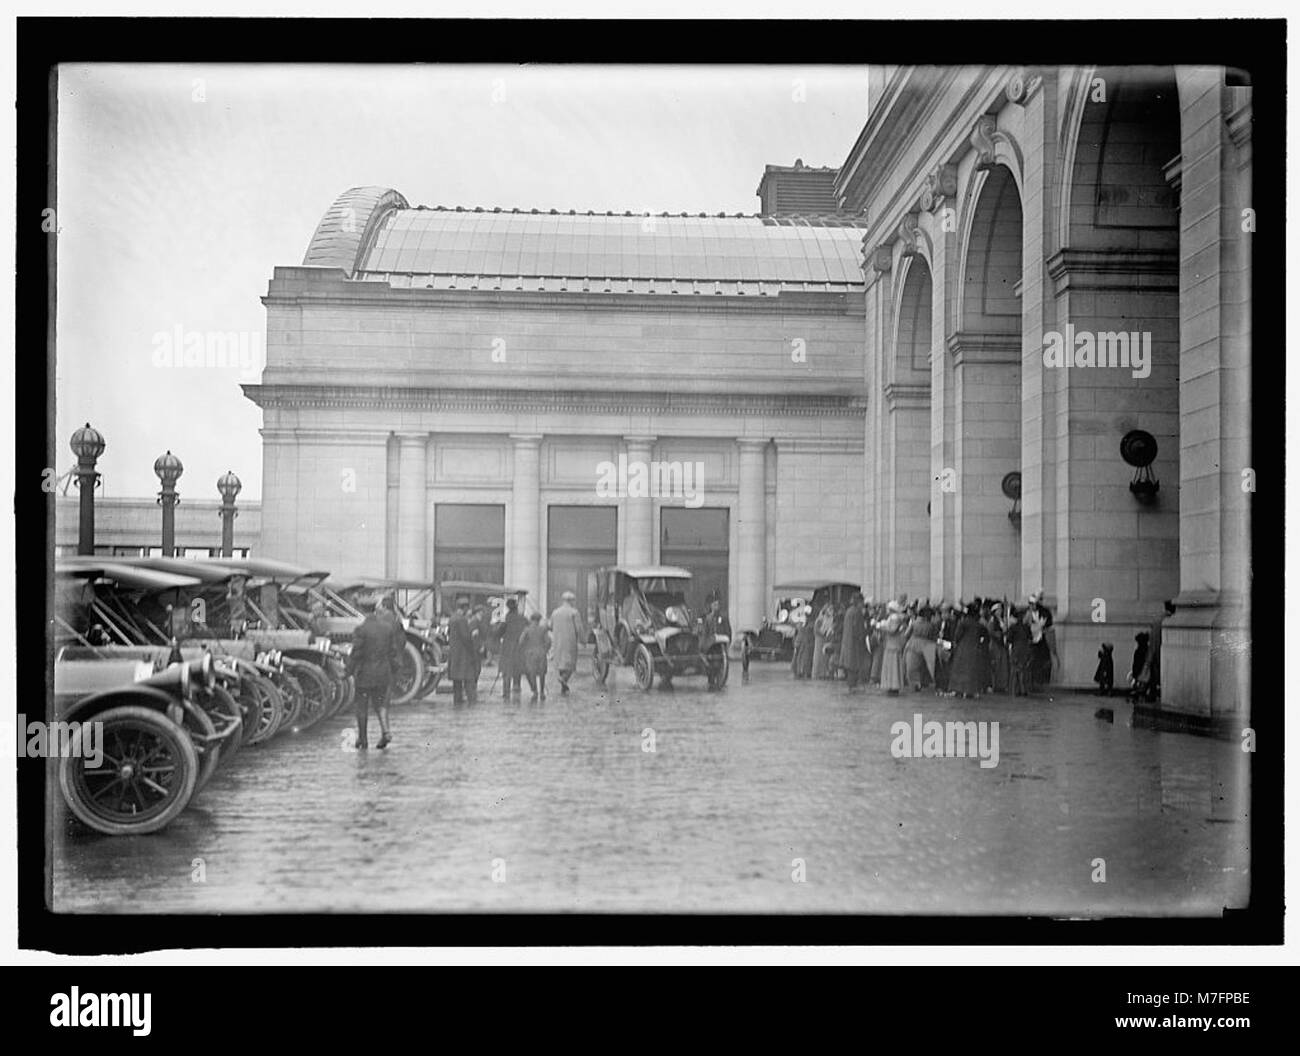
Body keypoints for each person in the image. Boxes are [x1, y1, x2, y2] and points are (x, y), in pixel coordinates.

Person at [345, 599, 405, 749]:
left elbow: (356, 654)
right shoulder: (386, 628)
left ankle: (363, 740)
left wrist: (348, 671)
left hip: (365, 675)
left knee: (362, 707)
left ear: (361, 609)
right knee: (381, 705)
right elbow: (392, 652)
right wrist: (394, 669)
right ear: (375, 609)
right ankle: (385, 732)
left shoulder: (361, 629)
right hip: (383, 674)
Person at [948, 602, 988, 699]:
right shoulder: (979, 624)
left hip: (962, 649)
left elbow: (957, 636)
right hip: (975, 649)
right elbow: (984, 635)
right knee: (972, 671)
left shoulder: (963, 622)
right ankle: (971, 690)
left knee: (960, 670)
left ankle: (958, 689)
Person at [549, 591, 584, 695]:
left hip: (558, 641)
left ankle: (563, 687)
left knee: (560, 663)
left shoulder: (555, 612)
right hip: (570, 641)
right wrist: (583, 640)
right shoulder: (574, 612)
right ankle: (563, 680)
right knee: (570, 664)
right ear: (571, 601)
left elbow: (550, 626)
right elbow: (579, 628)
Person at [447, 596, 480, 704]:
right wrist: (472, 651)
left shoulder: (452, 618)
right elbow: (465, 637)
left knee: (457, 682)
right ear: (464, 608)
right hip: (463, 654)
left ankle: (457, 702)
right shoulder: (461, 619)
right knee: (469, 679)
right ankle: (472, 702)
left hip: (454, 653)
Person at [496, 597, 528, 701]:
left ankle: (506, 691)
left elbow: (499, 632)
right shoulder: (522, 618)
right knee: (517, 668)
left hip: (508, 648)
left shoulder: (506, 619)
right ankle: (517, 686)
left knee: (507, 670)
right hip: (520, 647)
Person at [876, 600, 909, 695]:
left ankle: (893, 685)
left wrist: (881, 626)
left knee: (893, 666)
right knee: (892, 666)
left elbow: (892, 630)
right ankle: (892, 685)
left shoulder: (894, 618)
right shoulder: (893, 618)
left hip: (893, 644)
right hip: (891, 644)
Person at [903, 605, 937, 691]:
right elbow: (934, 636)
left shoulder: (914, 623)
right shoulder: (931, 625)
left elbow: (906, 634)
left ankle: (915, 683)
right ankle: (924, 681)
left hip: (913, 645)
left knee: (911, 666)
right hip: (927, 646)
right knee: (925, 666)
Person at [519, 612, 551, 701]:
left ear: (531, 619)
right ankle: (542, 692)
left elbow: (521, 641)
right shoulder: (543, 629)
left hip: (530, 654)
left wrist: (524, 649)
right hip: (541, 653)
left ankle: (535, 691)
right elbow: (548, 641)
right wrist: (545, 649)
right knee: (542, 673)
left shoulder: (527, 630)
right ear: (539, 620)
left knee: (531, 673)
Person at [840, 594, 866, 690]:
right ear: (859, 602)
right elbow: (858, 629)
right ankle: (853, 685)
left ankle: (851, 685)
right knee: (854, 665)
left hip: (847, 642)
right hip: (854, 643)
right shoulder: (857, 612)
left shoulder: (849, 611)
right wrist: (861, 636)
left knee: (850, 664)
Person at [811, 602, 834, 680]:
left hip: (826, 639)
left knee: (825, 657)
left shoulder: (831, 618)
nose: (831, 611)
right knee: (818, 656)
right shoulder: (820, 618)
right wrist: (822, 632)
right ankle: (817, 673)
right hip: (820, 639)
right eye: (830, 609)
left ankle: (824, 673)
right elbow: (816, 629)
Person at [791, 609, 814, 679]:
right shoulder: (803, 625)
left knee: (801, 658)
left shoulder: (803, 625)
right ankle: (800, 671)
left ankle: (801, 671)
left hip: (803, 643)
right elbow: (798, 635)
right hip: (801, 643)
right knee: (800, 658)